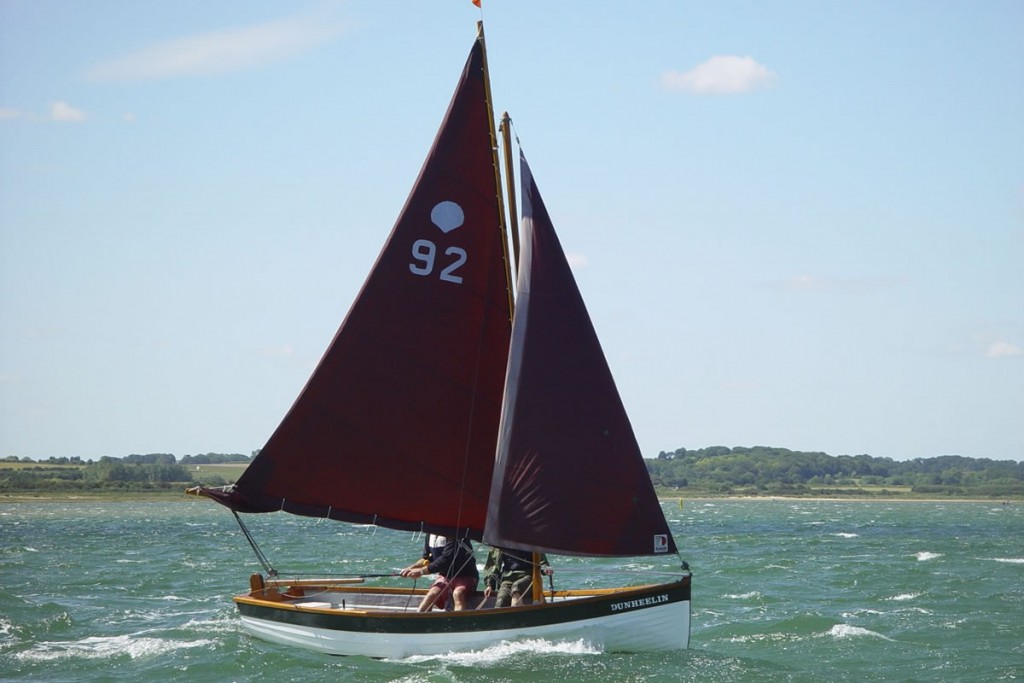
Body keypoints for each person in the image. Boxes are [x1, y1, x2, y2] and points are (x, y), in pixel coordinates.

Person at [400, 533, 478, 611]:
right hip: (445, 576)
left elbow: (445, 560)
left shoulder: (455, 533)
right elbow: (427, 559)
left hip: (467, 576)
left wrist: (421, 572)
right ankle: (419, 617)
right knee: (431, 594)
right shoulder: (429, 535)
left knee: (458, 594)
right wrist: (410, 568)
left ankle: (458, 621)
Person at [482, 546, 552, 608]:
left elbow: (543, 563)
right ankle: (498, 621)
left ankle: (517, 616)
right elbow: (493, 564)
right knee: (501, 600)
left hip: (528, 577)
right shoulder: (501, 541)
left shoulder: (531, 539)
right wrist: (490, 584)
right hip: (508, 579)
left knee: (516, 587)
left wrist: (546, 569)